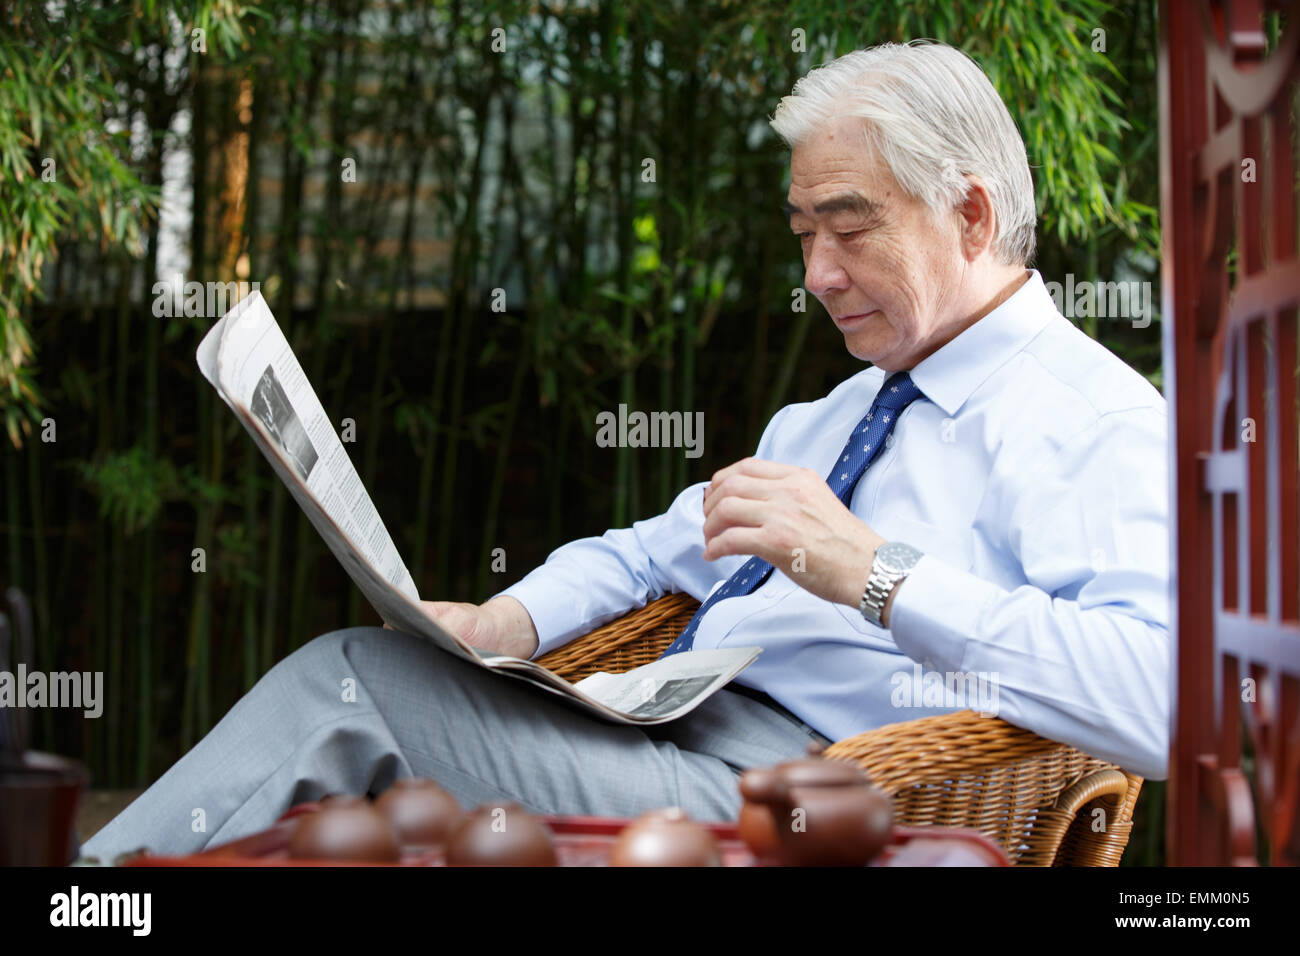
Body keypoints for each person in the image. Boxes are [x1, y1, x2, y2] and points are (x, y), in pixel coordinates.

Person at [80, 40, 1168, 861]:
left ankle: (92, 884)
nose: (818, 275)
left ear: (970, 213)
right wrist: (501, 623)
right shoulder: (837, 414)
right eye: (802, 236)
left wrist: (872, 573)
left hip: (797, 797)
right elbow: (650, 556)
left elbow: (1161, 705)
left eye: (849, 228)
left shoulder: (1093, 421)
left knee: (349, 690)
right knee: (381, 709)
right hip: (659, 725)